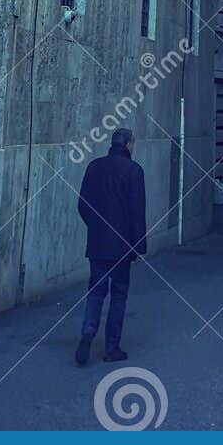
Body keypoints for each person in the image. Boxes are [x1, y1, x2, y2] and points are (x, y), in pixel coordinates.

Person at [74, 127, 147, 365]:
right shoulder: (134, 171)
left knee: (96, 291)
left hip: (97, 242)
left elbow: (82, 205)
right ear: (128, 145)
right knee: (118, 294)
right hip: (122, 245)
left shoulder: (94, 167)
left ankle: (88, 331)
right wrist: (139, 246)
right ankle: (111, 347)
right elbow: (137, 211)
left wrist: (94, 228)